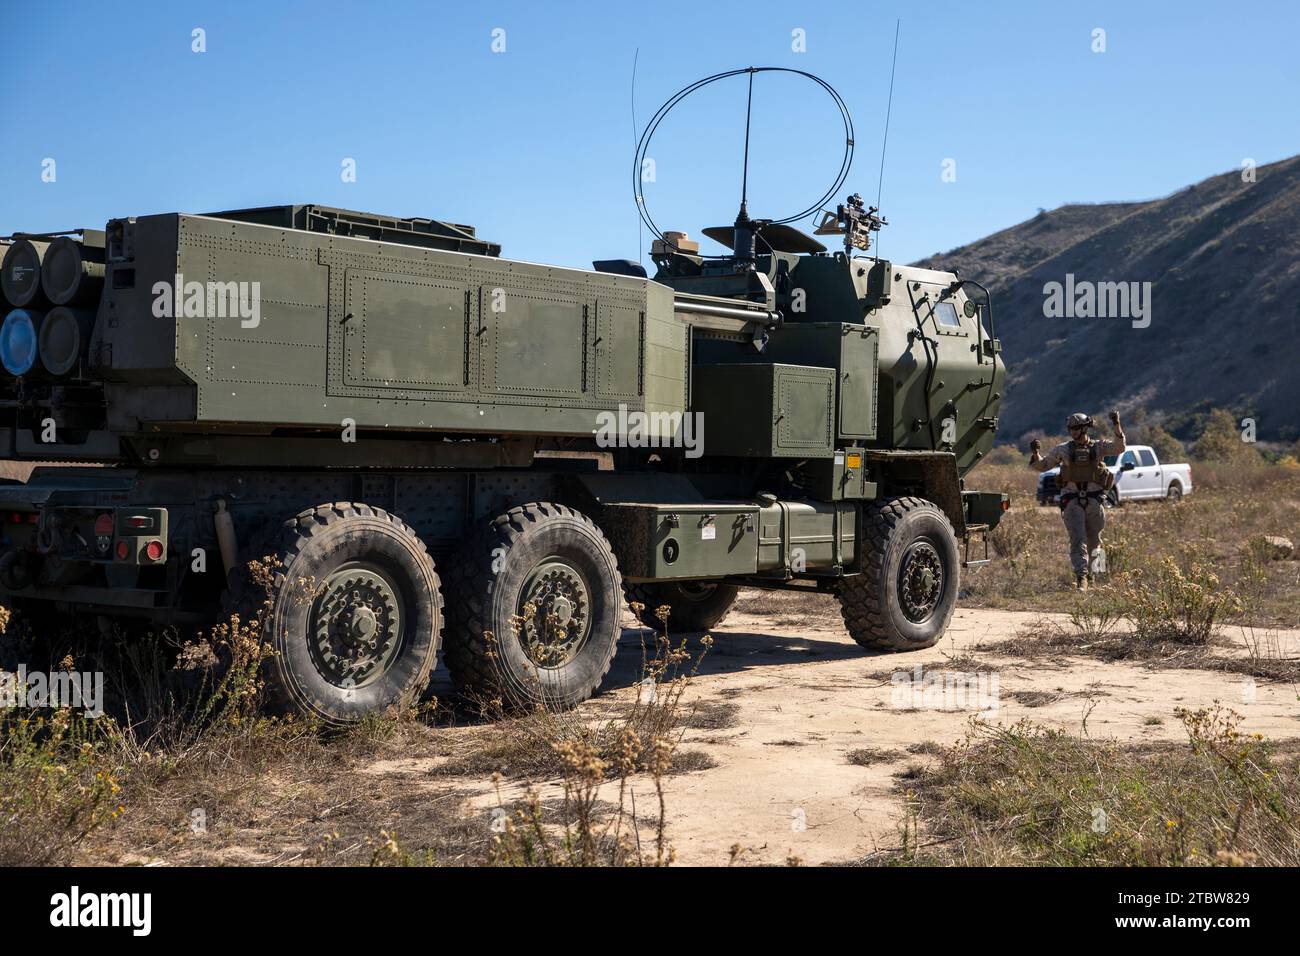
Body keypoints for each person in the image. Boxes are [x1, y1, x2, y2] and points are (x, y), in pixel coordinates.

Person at [1029, 411, 1126, 590]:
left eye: (1075, 428)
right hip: (1072, 502)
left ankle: (1096, 575)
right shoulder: (1062, 449)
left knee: (1095, 540)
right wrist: (1035, 453)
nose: (1072, 432)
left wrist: (1116, 424)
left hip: (1095, 501)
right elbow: (1042, 466)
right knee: (1077, 540)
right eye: (1070, 429)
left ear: (1084, 428)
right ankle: (1082, 578)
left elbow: (1119, 448)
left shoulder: (1099, 447)